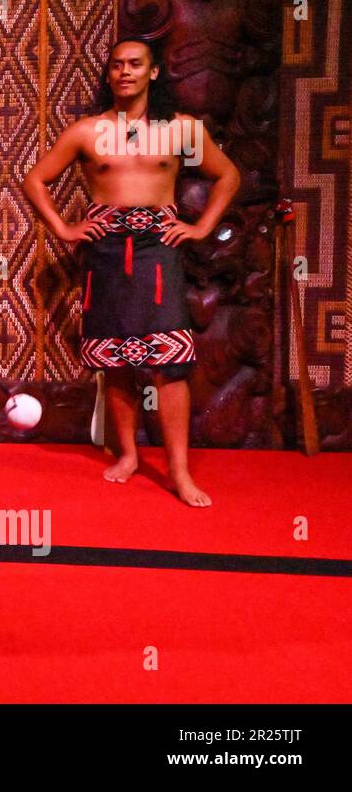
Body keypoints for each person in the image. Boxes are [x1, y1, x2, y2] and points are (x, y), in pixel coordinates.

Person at [23, 37, 239, 507]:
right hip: (105, 251)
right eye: (117, 65)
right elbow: (35, 180)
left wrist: (201, 227)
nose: (125, 72)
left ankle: (179, 471)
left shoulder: (181, 129)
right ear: (109, 75)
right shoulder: (87, 131)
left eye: (135, 64)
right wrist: (62, 227)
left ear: (153, 72)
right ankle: (128, 455)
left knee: (170, 362)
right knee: (116, 359)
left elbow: (229, 176)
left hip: (158, 249)